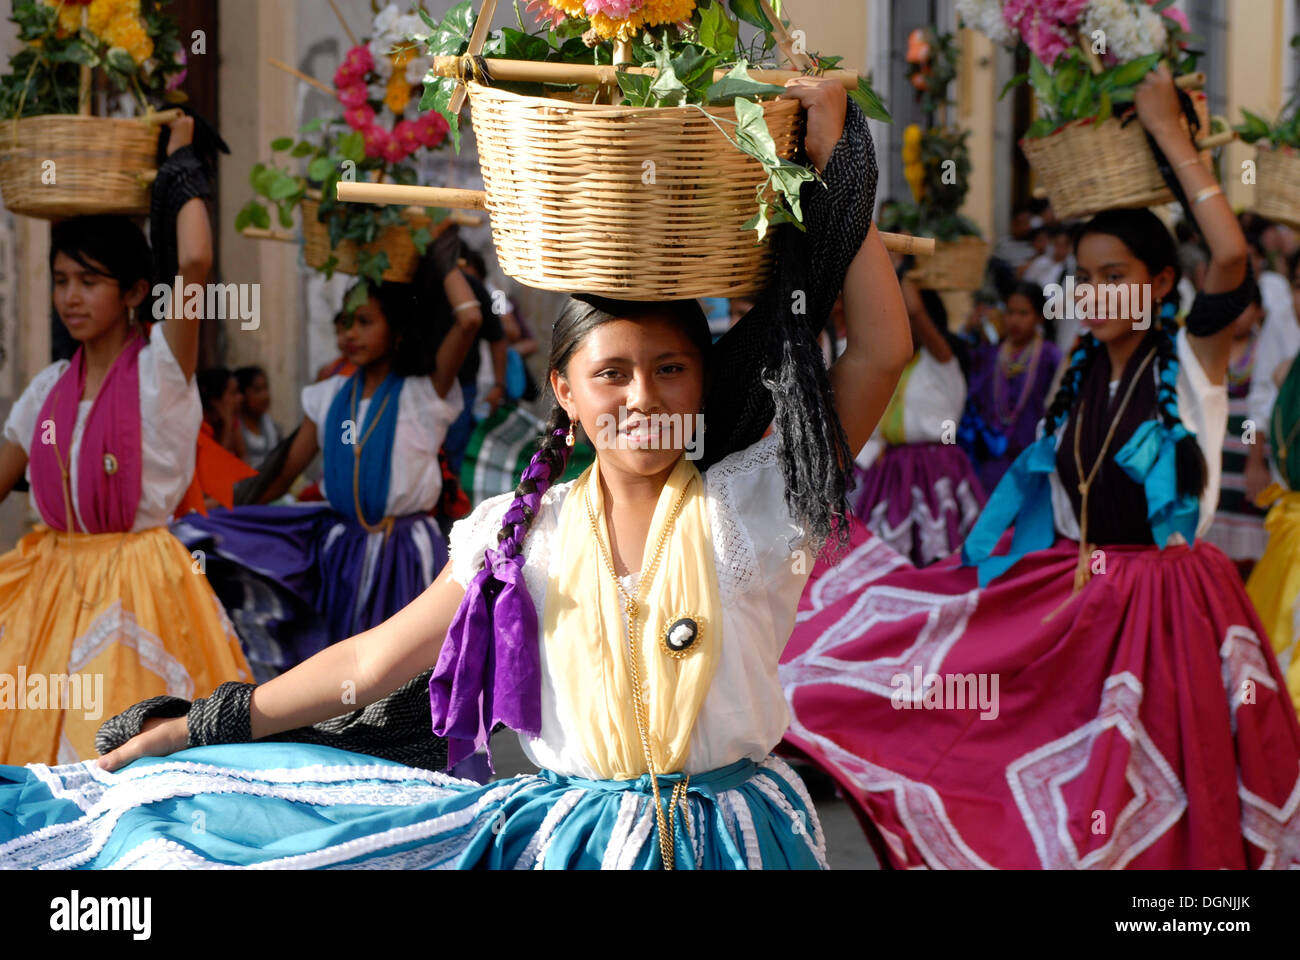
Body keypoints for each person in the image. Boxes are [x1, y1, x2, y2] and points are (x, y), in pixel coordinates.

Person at [0, 80, 913, 870]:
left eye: (670, 367)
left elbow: (879, 350)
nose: (642, 394)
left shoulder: (758, 499)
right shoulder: (523, 535)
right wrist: (208, 725)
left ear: (704, 380)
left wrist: (841, 159)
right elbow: (371, 660)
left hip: (742, 839)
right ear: (564, 393)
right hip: (579, 845)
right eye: (612, 372)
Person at [780, 65, 1300, 869]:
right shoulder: (1077, 372)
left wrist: (1169, 135)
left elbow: (1228, 253)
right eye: (1085, 279)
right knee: (1065, 781)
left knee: (1167, 792)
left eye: (1116, 278)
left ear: (1161, 284)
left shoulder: (1193, 361)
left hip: (1171, 609)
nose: (1096, 295)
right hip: (1080, 598)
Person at [0, 118, 252, 765]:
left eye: (88, 281)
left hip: (140, 587)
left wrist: (179, 165)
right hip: (50, 592)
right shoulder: (47, 390)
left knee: (123, 763)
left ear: (136, 291)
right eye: (60, 281)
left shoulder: (163, 372)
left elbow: (193, 260)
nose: (69, 298)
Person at [171, 244, 482, 682]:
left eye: (363, 322)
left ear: (396, 330)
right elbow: (281, 474)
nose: (348, 334)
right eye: (343, 324)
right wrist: (213, 510)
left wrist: (440, 254)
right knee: (344, 675)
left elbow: (468, 319)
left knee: (406, 676)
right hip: (343, 556)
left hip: (409, 555)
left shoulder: (424, 394)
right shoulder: (329, 396)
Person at [852, 277, 985, 566]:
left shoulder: (941, 362)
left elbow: (915, 314)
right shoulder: (890, 367)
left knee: (938, 553)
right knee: (888, 557)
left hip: (935, 467)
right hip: (892, 469)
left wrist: (906, 277)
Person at [961, 282, 1062, 492]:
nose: (1015, 320)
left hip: (1033, 456)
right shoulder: (991, 354)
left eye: (1024, 313)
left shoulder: (1050, 356)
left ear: (1039, 317)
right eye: (1010, 312)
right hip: (992, 458)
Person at [1201, 288, 1269, 578]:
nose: (1239, 317)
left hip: (1247, 438)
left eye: (1245, 308)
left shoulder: (1264, 350)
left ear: (1258, 312)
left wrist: (1255, 459)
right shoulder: (1215, 346)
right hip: (1216, 444)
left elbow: (1260, 410)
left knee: (1247, 518)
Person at [235, 365, 281, 472]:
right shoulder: (236, 428)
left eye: (266, 389)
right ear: (242, 394)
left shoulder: (270, 425)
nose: (265, 396)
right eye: (257, 390)